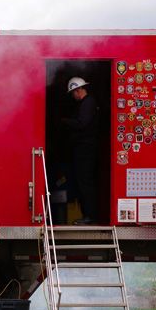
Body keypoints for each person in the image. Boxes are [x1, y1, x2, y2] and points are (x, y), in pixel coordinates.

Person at [62, 76, 99, 225]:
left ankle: (90, 216)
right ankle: (88, 215)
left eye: (73, 93)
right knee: (84, 181)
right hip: (84, 148)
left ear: (78, 90)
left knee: (85, 182)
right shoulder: (88, 103)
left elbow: (82, 123)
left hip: (86, 148)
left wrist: (64, 121)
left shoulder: (87, 103)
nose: (73, 96)